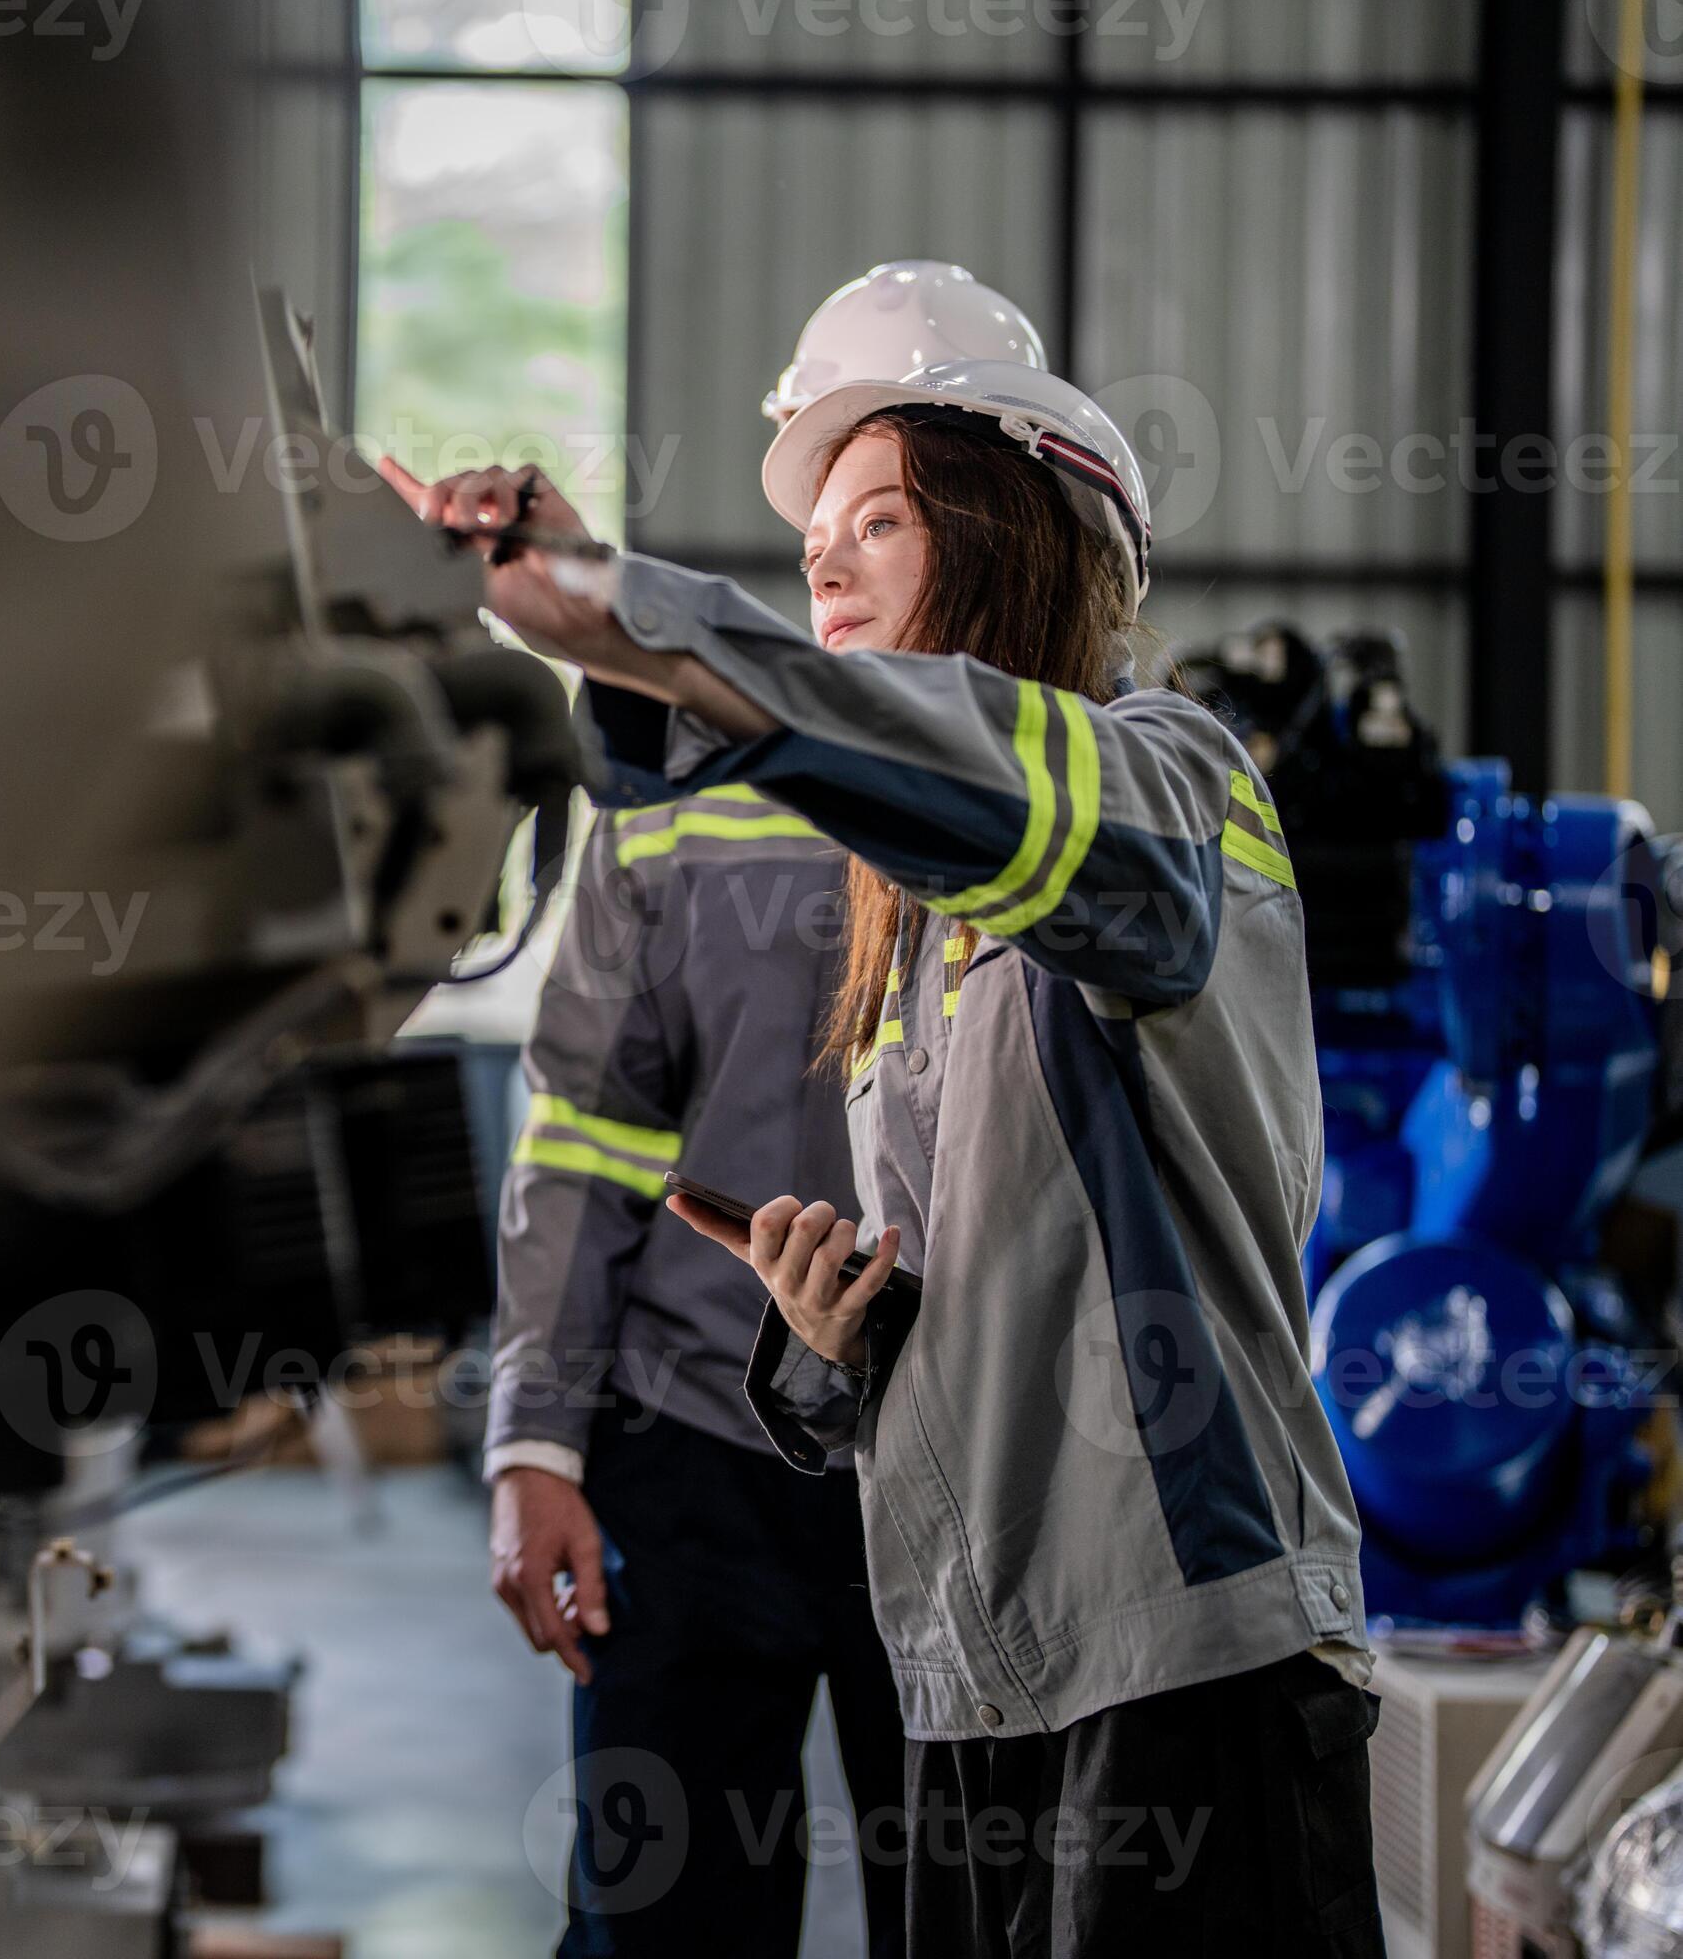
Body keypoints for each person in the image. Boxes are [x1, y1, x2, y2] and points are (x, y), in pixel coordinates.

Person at [397, 360, 1383, 1956]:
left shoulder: (1172, 780)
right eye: (812, 549)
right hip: (974, 1677)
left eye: (880, 523)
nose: (826, 567)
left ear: (1011, 541)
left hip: (1178, 1665)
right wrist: (834, 1334)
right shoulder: (912, 934)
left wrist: (640, 621)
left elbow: (999, 777)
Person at [478, 262, 1048, 1959]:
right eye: (823, 508)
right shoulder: (684, 785)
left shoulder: (1089, 792)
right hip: (693, 1451)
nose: (824, 550)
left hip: (961, 1477)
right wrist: (535, 1442)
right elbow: (584, 1127)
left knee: (970, 1927)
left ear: (993, 510)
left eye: (878, 509)